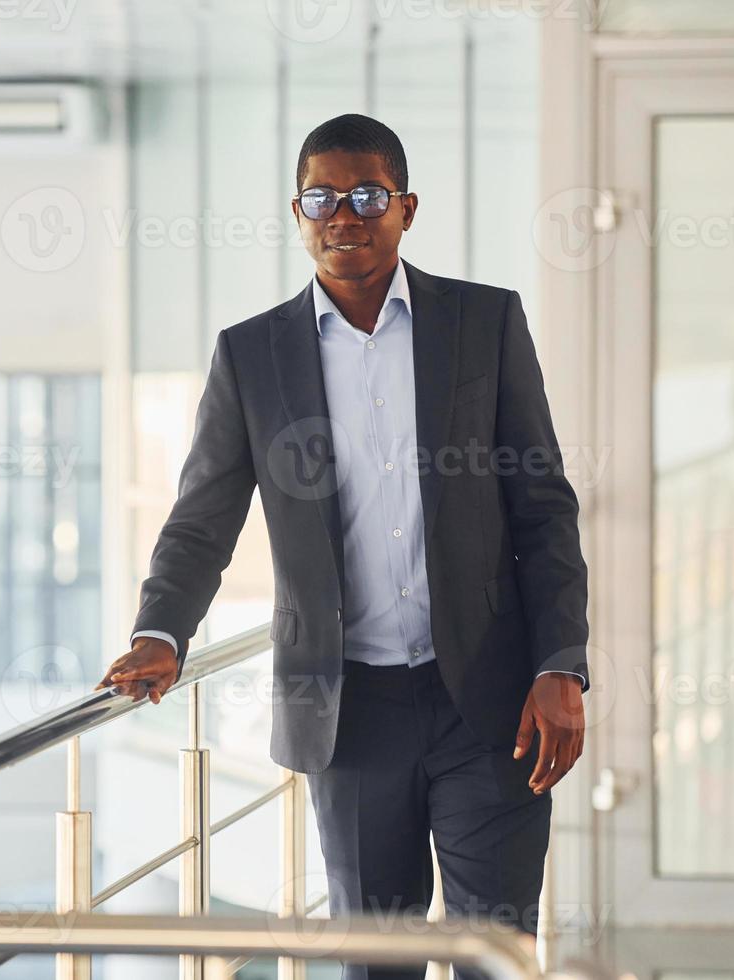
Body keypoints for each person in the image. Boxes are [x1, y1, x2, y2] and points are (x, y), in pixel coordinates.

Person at [95, 113, 590, 980]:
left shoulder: (484, 322)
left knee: (497, 954)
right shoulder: (251, 356)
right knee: (375, 961)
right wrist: (160, 632)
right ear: (298, 213)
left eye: (366, 195)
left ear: (406, 208)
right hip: (348, 714)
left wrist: (561, 663)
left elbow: (543, 508)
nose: (344, 216)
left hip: (490, 702)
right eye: (321, 198)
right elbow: (203, 517)